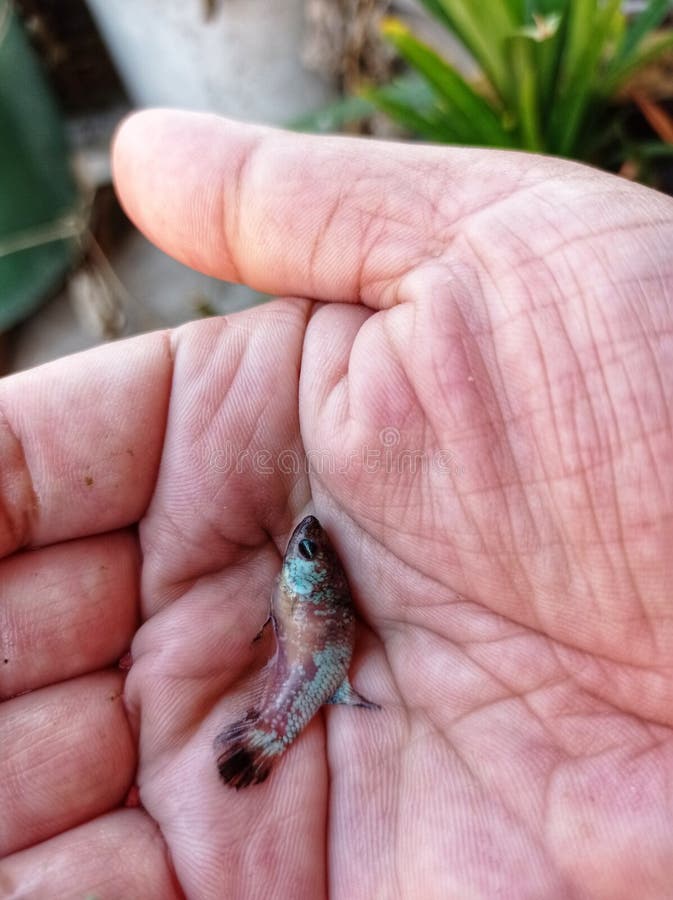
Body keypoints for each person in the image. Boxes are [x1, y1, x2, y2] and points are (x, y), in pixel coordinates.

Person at [0, 109, 672, 899]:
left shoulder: (302, 589)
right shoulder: (302, 590)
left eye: (305, 554)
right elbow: (294, 628)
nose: (302, 548)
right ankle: (265, 740)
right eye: (307, 553)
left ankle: (266, 742)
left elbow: (294, 625)